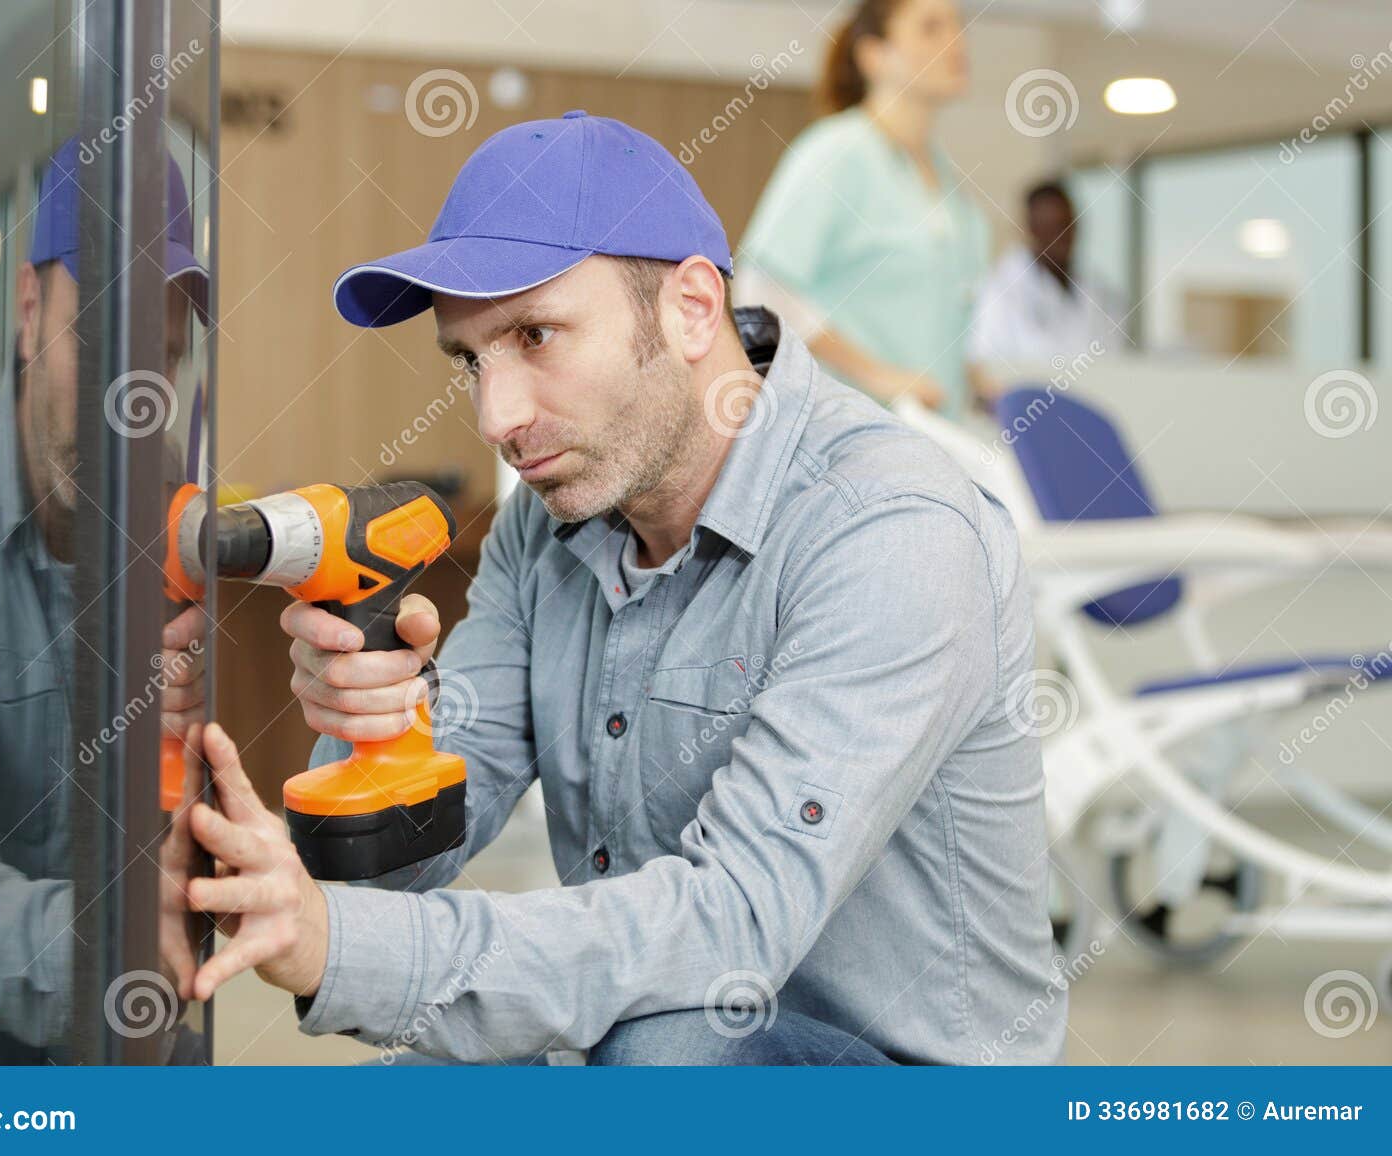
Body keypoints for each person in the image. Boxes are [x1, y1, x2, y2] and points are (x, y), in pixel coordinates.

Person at [184, 110, 1062, 1066]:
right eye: (472, 360)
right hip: (665, 1026)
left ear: (690, 308)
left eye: (537, 335)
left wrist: (335, 944)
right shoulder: (549, 521)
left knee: (661, 1053)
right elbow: (445, 811)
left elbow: (732, 924)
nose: (497, 416)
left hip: (911, 1080)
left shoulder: (891, 530)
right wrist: (382, 733)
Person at [0, 137, 208, 1063]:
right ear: (30, 313)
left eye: (158, 357)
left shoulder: (173, 513)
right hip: (5, 997)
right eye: (102, 342)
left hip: (142, 992)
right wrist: (114, 943)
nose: (133, 398)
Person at [735, 0, 994, 419]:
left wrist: (974, 381)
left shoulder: (943, 174)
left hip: (930, 433)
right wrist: (879, 376)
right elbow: (760, 293)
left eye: (958, 26)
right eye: (931, 28)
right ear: (874, 55)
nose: (957, 42)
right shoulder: (837, 153)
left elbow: (934, 312)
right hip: (847, 431)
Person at [970, 180, 1124, 371]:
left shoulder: (1099, 292)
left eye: (1067, 226)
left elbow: (1116, 360)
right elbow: (986, 368)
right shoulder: (1000, 290)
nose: (1063, 238)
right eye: (1052, 228)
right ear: (1031, 230)